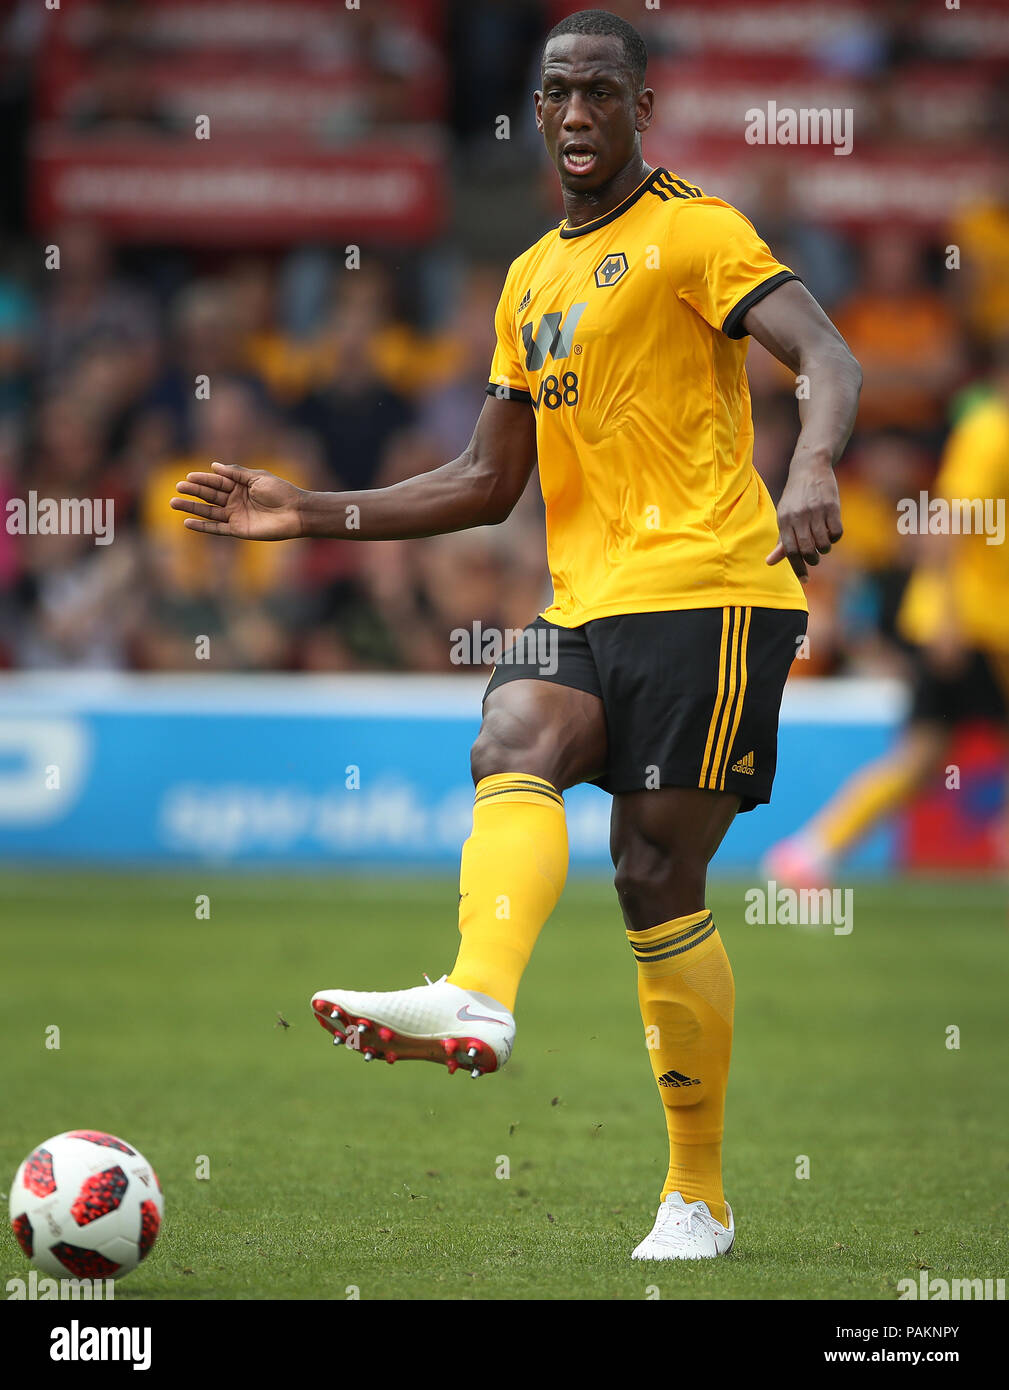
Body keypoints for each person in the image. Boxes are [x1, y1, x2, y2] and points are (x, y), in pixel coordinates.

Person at [171, 9, 860, 1260]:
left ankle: (696, 1195)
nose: (579, 113)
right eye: (559, 93)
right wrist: (305, 511)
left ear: (642, 107)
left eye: (603, 90)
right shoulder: (530, 275)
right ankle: (477, 995)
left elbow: (827, 353)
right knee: (511, 735)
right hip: (586, 600)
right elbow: (489, 481)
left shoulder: (697, 233)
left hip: (713, 589)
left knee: (653, 881)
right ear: (536, 112)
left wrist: (812, 466)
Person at [766, 346, 1009, 887]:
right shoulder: (991, 430)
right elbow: (947, 525)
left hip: (982, 623)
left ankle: (809, 855)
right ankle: (809, 854)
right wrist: (947, 617)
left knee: (924, 755)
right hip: (971, 626)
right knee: (923, 753)